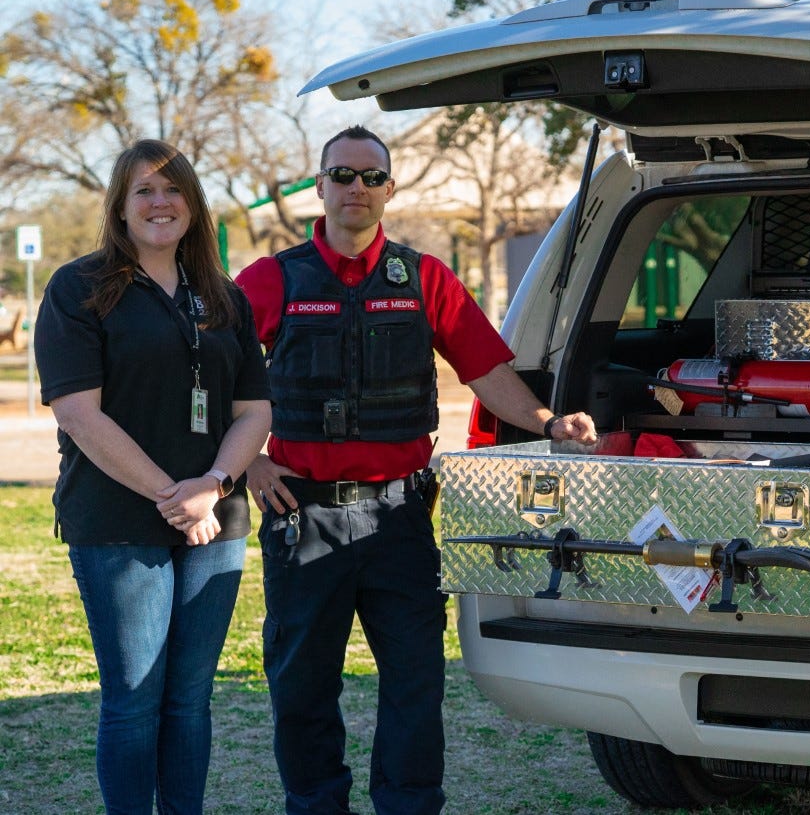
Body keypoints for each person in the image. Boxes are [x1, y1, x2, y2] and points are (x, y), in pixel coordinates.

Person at [235, 125, 597, 815]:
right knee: (302, 686)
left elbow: (488, 370)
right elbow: (217, 370)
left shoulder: (425, 277)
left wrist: (549, 422)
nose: (357, 189)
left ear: (390, 190)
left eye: (372, 177)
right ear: (320, 184)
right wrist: (247, 460)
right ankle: (316, 805)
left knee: (415, 684)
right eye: (343, 175)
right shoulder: (271, 279)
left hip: (400, 520)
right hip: (302, 517)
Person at [34, 139, 273, 814]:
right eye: (144, 190)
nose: (160, 202)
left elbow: (255, 411)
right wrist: (175, 495)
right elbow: (80, 415)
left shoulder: (225, 297)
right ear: (120, 205)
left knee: (190, 697)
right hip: (117, 524)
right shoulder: (78, 289)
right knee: (135, 698)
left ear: (194, 206)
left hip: (214, 524)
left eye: (172, 190)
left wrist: (214, 486)